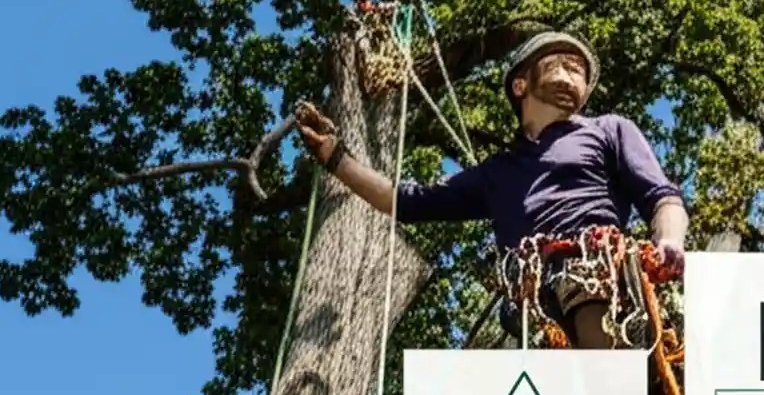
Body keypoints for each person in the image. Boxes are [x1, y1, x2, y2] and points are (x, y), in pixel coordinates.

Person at [294, 31, 689, 349]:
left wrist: (669, 240)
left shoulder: (608, 130)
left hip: (597, 269)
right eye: (561, 65)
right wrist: (337, 159)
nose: (573, 77)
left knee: (587, 295)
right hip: (529, 296)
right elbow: (405, 200)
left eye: (580, 72)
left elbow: (662, 197)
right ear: (521, 84)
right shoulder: (496, 173)